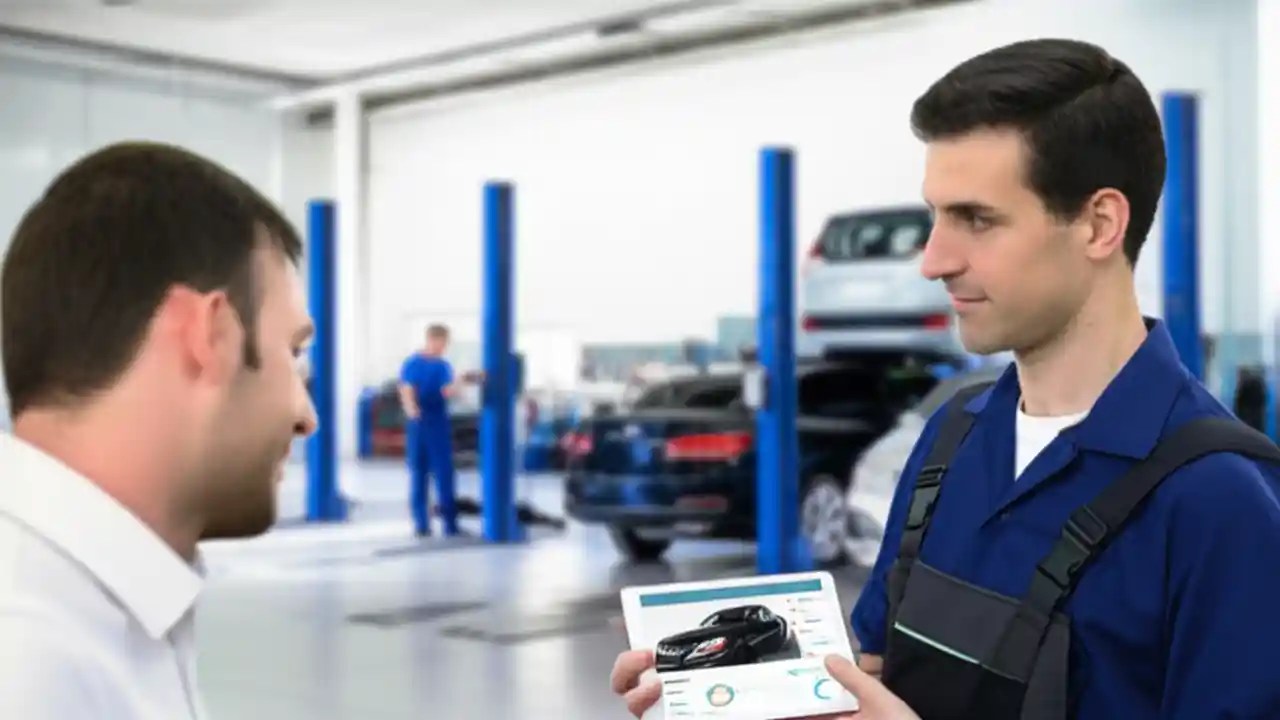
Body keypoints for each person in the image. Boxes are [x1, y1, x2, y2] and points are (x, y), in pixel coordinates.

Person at [614, 37, 1280, 719]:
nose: (932, 260)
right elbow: (877, 666)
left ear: (1099, 223)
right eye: (936, 216)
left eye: (976, 220)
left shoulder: (1219, 502)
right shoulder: (950, 440)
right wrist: (743, 686)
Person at [0, 142, 317, 717]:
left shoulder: (101, 606)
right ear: (208, 334)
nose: (306, 416)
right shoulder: (30, 662)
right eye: (292, 354)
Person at [398, 324, 481, 537]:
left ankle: (450, 524)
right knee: (419, 473)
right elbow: (406, 388)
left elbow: (446, 391)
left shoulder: (443, 366)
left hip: (438, 422)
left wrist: (462, 381)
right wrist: (410, 408)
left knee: (444, 473)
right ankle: (421, 525)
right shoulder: (413, 363)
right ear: (431, 340)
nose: (443, 348)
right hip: (418, 422)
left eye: (446, 345)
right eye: (442, 343)